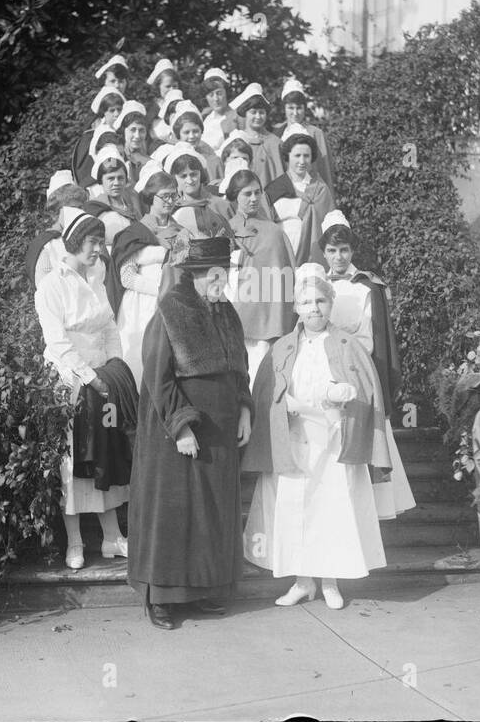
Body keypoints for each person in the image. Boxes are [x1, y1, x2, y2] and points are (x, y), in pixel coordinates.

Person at [242, 264, 390, 609]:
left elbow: (368, 394)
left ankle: (330, 581)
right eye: (306, 302)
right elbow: (266, 393)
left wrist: (344, 391)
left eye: (321, 301)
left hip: (333, 440)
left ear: (331, 303)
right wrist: (284, 404)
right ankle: (302, 581)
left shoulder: (347, 345)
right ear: (296, 307)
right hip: (294, 440)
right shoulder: (280, 348)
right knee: (295, 510)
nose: (314, 308)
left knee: (331, 509)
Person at [126, 236, 253, 629]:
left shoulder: (226, 311)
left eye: (226, 274)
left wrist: (245, 408)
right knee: (173, 513)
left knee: (210, 514)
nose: (224, 282)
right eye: (220, 275)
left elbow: (240, 365)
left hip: (221, 430)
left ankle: (204, 591)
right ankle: (161, 598)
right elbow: (157, 375)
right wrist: (180, 426)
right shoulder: (169, 311)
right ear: (204, 274)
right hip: (176, 433)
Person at [34, 207, 135, 570]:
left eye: (101, 243)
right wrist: (91, 377)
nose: (99, 250)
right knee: (75, 458)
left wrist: (114, 367)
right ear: (76, 241)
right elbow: (57, 342)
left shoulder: (96, 277)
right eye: (94, 242)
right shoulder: (51, 285)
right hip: (69, 380)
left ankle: (112, 538)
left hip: (103, 376)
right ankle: (75, 542)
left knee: (107, 450)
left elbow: (109, 328)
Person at [319, 211, 416, 519]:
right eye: (332, 251)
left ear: (353, 250)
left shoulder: (367, 286)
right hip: (325, 368)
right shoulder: (316, 284)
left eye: (344, 250)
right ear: (324, 251)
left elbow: (376, 338)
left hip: (359, 367)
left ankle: (368, 509)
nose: (338, 257)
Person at [112, 171, 185, 386]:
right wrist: (159, 288)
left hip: (171, 304)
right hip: (140, 306)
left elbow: (183, 269)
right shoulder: (134, 232)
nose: (170, 201)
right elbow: (126, 277)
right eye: (165, 196)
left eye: (174, 195)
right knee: (139, 360)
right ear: (151, 197)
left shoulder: (181, 233)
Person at [225, 167, 296, 385]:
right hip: (236, 315)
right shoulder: (226, 230)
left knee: (265, 380)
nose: (254, 198)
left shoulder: (274, 232)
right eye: (247, 194)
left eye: (258, 192)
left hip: (269, 321)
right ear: (235, 196)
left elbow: (287, 276)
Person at [265, 123, 334, 265]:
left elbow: (331, 229)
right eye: (297, 155)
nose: (302, 161)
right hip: (280, 255)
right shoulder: (274, 188)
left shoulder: (320, 189)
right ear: (288, 156)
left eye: (306, 156)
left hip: (312, 258)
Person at [25, 172, 96, 289]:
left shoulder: (86, 238)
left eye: (80, 208)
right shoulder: (47, 246)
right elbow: (45, 289)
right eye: (72, 208)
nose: (77, 213)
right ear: (56, 212)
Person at [274, 78, 336, 196]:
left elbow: (325, 170)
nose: (295, 113)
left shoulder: (315, 134)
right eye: (291, 108)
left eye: (299, 108)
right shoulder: (277, 133)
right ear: (284, 108)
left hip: (310, 192)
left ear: (305, 108)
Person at [167, 146, 232, 235]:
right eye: (183, 176)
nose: (189, 181)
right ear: (175, 178)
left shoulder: (220, 205)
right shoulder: (172, 209)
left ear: (201, 174)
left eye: (194, 174)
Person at [229, 82, 284, 187]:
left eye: (261, 112)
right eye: (253, 112)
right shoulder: (237, 140)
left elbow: (280, 176)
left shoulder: (275, 143)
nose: (258, 117)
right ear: (246, 113)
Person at [87, 145, 142, 244]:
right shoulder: (95, 209)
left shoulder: (131, 205)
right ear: (101, 181)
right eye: (110, 178)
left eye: (120, 178)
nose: (116, 183)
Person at [74, 86, 126, 187]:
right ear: (104, 113)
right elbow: (110, 163)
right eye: (112, 110)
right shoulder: (102, 134)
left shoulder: (120, 131)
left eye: (119, 109)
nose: (116, 114)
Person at [169, 100, 222, 183]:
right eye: (186, 132)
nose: (192, 136)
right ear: (178, 134)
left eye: (195, 131)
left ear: (201, 131)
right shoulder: (172, 159)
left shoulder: (212, 159)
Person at [200, 66, 238, 151]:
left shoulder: (236, 118)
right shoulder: (204, 118)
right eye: (211, 95)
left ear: (226, 93)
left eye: (219, 93)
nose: (216, 99)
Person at [147, 58, 180, 143]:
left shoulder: (181, 105)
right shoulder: (153, 109)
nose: (172, 90)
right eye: (168, 86)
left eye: (175, 86)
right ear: (158, 86)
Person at [117, 100, 152, 179]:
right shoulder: (114, 152)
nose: (137, 136)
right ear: (124, 131)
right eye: (132, 130)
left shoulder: (149, 156)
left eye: (141, 130)